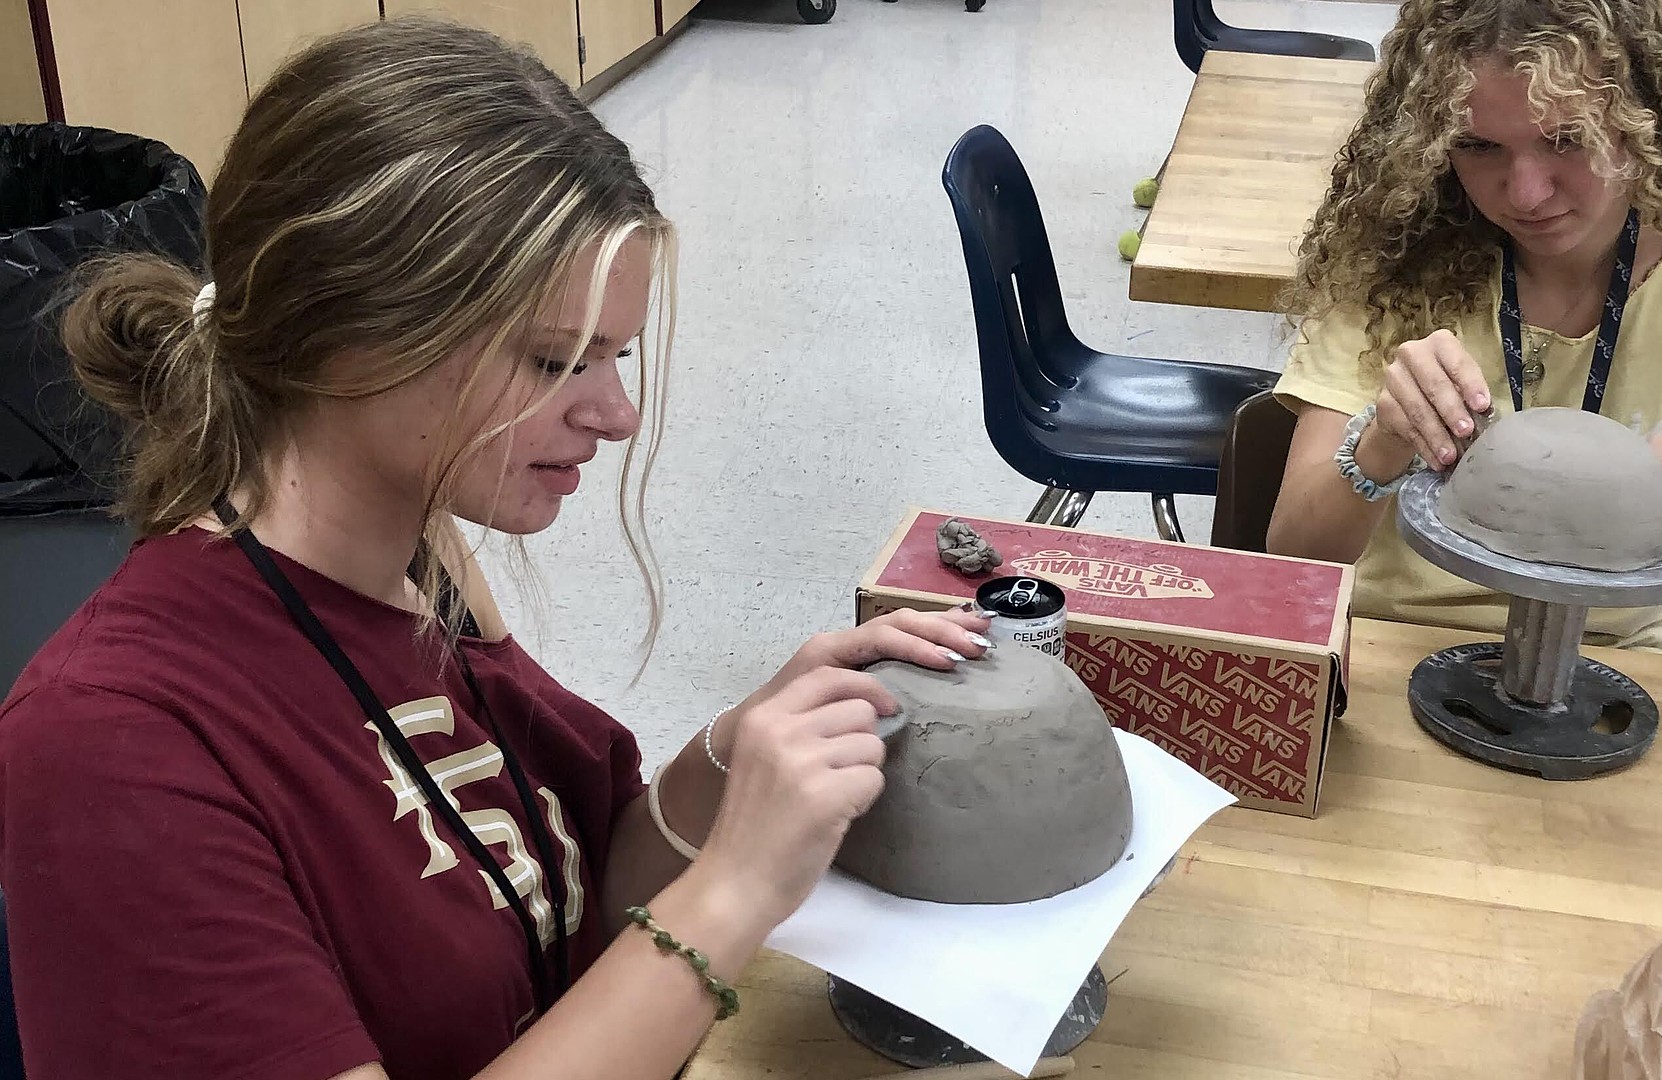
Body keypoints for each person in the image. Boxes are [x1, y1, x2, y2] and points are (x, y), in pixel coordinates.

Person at [0, 18, 993, 1080]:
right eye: (556, 360)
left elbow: (559, 908)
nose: (614, 415)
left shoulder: (423, 554)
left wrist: (734, 757)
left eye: (616, 358)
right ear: (346, 337)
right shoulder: (112, 749)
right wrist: (735, 890)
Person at [1264, 0, 1662, 651]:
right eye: (1478, 146)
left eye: (1567, 140)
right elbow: (1293, 553)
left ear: (1645, 118)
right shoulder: (1398, 238)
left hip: (1605, 658)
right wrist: (1382, 443)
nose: (1526, 193)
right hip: (1383, 643)